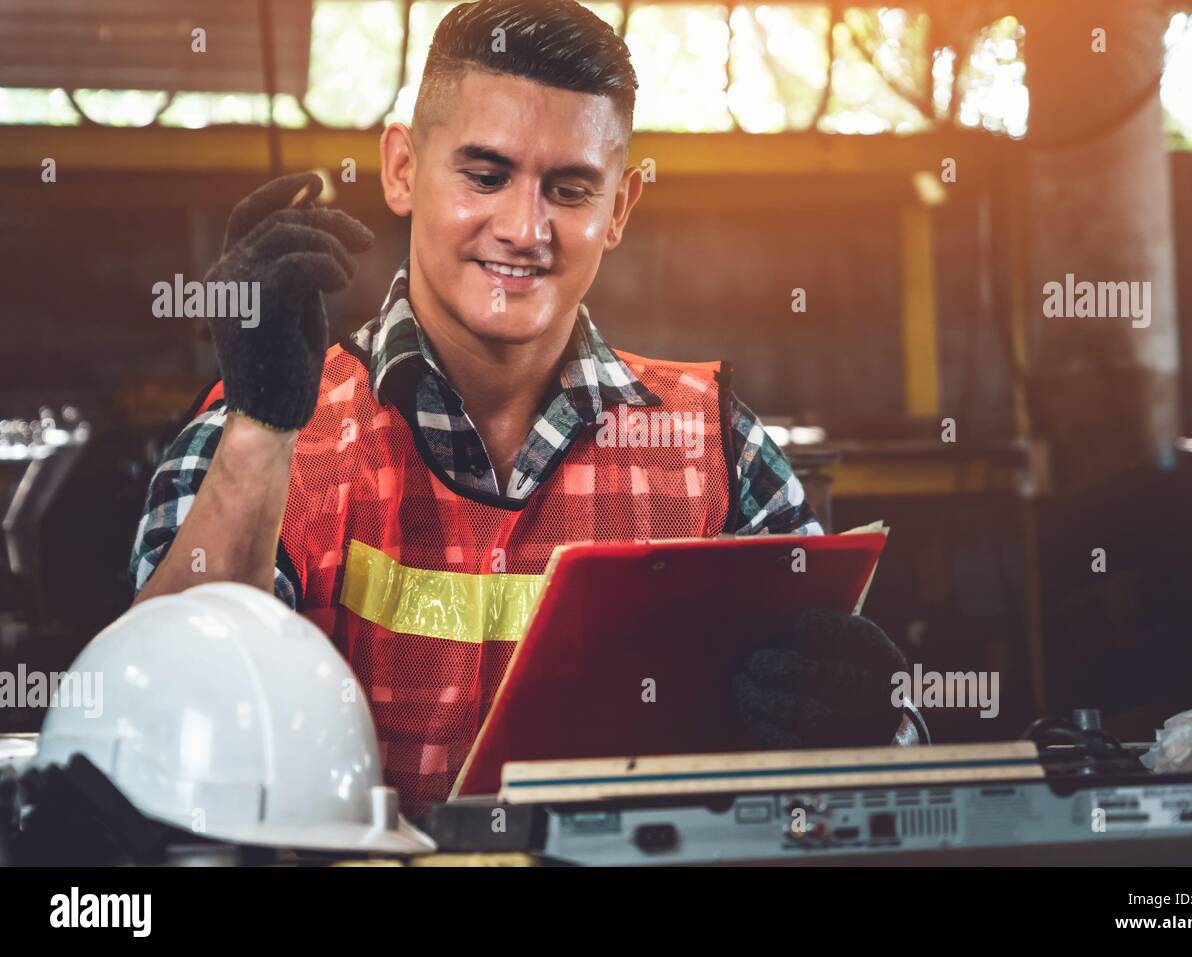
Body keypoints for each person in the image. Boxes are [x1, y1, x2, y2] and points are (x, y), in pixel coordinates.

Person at [129, 0, 906, 816]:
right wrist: (261, 431)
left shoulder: (719, 451)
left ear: (621, 209)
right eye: (485, 175)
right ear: (401, 168)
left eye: (569, 189)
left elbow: (873, 777)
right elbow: (156, 734)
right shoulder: (256, 431)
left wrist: (868, 729)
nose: (525, 228)